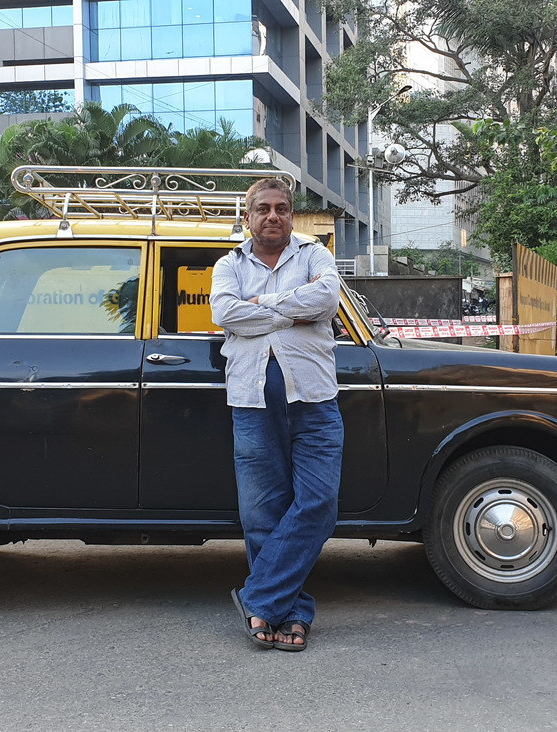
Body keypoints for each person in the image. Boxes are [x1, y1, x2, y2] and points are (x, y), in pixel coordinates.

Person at [209, 178, 344, 652]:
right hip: (251, 401)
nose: (273, 215)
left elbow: (327, 299)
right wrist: (292, 310)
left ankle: (259, 599)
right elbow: (225, 313)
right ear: (247, 217)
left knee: (320, 503)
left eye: (282, 208)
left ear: (292, 215)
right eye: (262, 208)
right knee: (261, 513)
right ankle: (292, 612)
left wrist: (262, 306)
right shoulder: (229, 264)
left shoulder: (314, 256)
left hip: (315, 399)